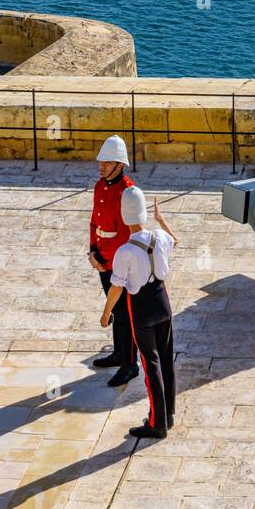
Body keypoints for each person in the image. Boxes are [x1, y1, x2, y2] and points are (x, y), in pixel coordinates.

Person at [101, 187, 177, 441]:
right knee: (166, 359)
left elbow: (116, 287)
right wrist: (162, 220)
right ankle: (168, 413)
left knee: (150, 364)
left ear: (124, 216)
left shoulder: (125, 252)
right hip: (163, 302)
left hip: (142, 309)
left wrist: (106, 312)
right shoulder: (159, 237)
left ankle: (157, 423)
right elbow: (174, 240)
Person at [88, 135, 138, 388]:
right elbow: (95, 222)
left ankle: (130, 364)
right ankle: (119, 353)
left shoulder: (127, 192)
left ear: (120, 165)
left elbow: (124, 234)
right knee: (117, 311)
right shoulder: (100, 186)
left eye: (107, 162)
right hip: (103, 258)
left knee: (124, 312)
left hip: (117, 262)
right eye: (101, 162)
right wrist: (92, 250)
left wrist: (103, 259)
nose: (102, 166)